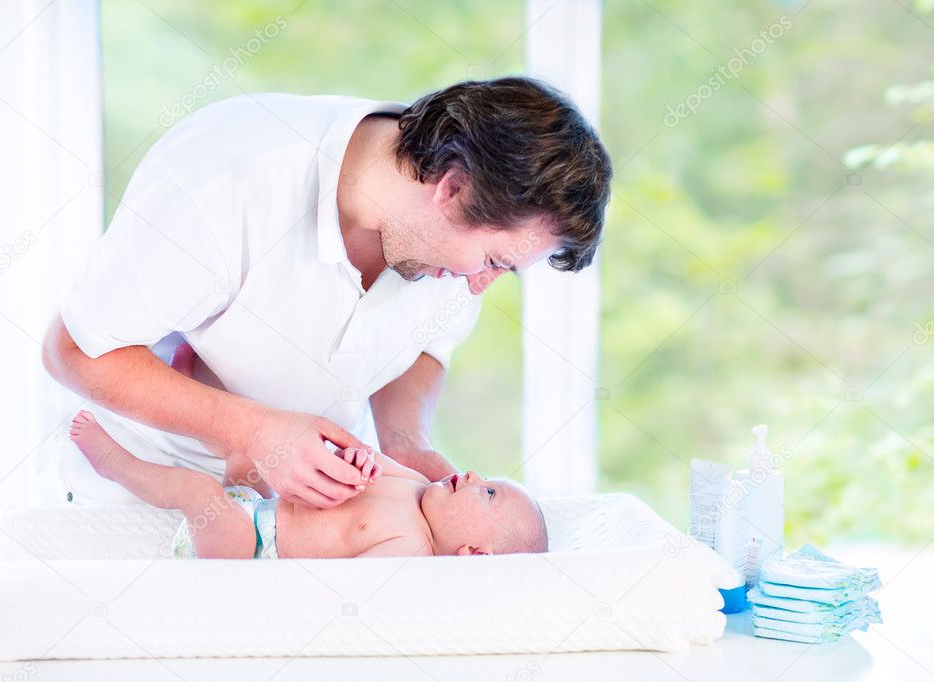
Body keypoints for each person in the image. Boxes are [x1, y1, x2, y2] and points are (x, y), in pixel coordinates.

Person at [42, 76, 613, 509]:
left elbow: (424, 346)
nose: (481, 284)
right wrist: (255, 432)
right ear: (453, 186)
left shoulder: (452, 243)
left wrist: (403, 438)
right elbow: (72, 351)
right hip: (142, 492)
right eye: (493, 261)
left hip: (306, 508)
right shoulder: (230, 179)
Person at [69, 409, 549, 559]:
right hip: (260, 506)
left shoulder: (410, 552)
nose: (471, 475)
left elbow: (343, 590)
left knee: (199, 494)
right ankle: (187, 385)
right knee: (246, 451)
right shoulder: (417, 485)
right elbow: (370, 456)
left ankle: (115, 463)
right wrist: (359, 458)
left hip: (253, 551)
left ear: (472, 555)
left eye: (488, 492)